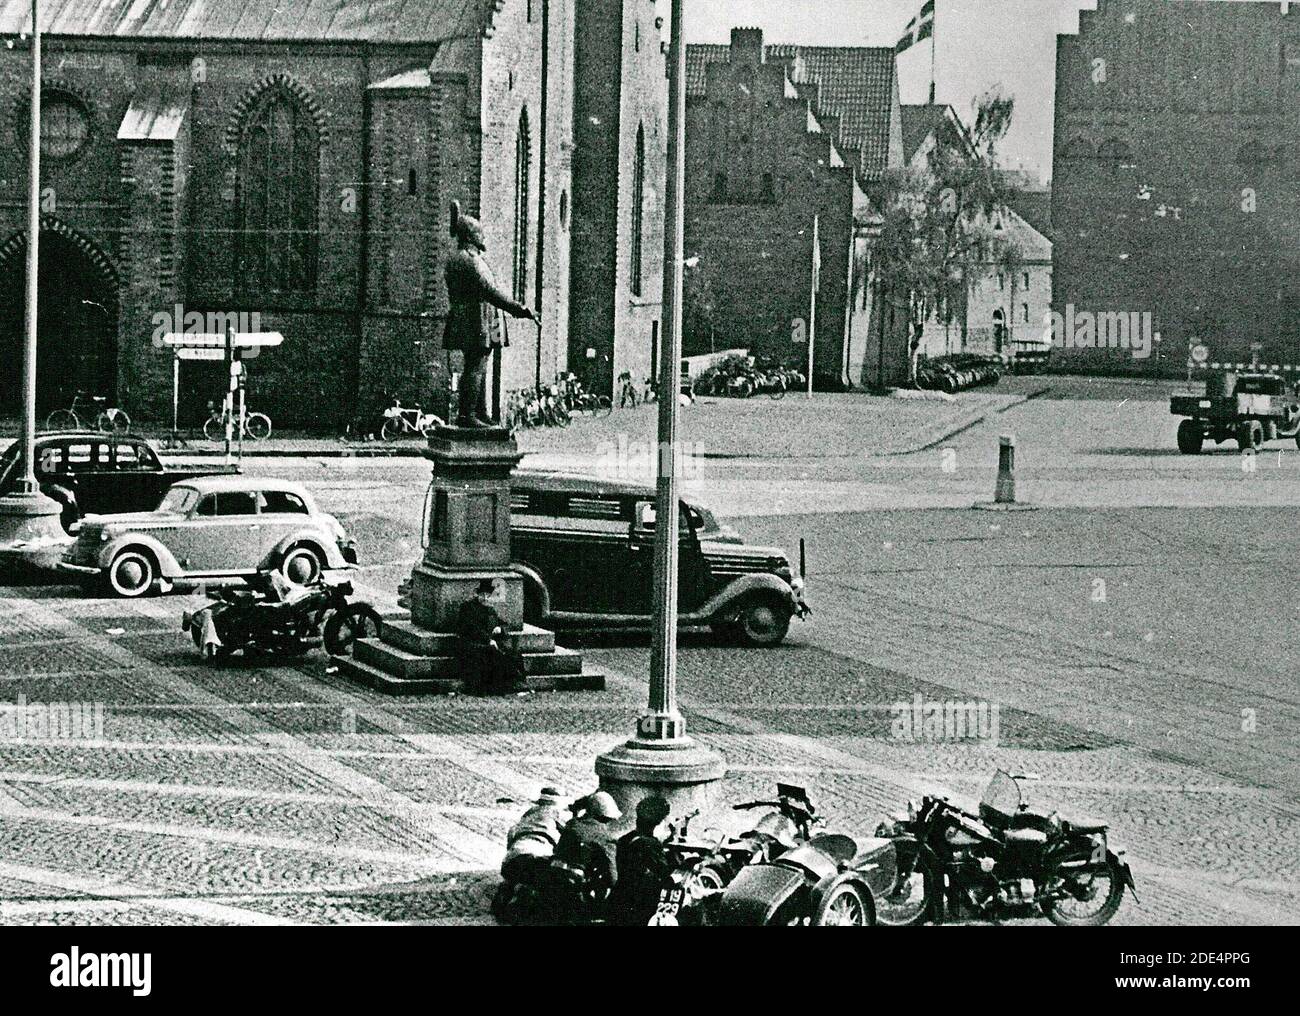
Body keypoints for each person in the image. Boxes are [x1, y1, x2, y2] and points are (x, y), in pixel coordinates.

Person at [443, 200, 537, 428]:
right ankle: (467, 415)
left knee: (480, 364)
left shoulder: (459, 258)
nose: (483, 237)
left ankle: (479, 411)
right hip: (476, 319)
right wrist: (520, 309)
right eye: (479, 233)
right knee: (475, 365)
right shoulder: (470, 261)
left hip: (478, 318)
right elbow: (490, 291)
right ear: (470, 235)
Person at [606, 795, 673, 926]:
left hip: (618, 901)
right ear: (658, 823)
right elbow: (664, 873)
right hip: (638, 907)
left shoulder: (626, 838)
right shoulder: (651, 844)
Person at [455, 579, 526, 695]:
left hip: (489, 643)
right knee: (493, 653)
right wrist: (488, 640)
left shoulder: (490, 610)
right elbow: (470, 628)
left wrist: (500, 629)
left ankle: (517, 683)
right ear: (476, 594)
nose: (485, 598)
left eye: (487, 595)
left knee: (513, 654)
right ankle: (496, 687)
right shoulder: (467, 608)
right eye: (482, 595)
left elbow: (504, 624)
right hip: (472, 643)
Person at [553, 790, 623, 896]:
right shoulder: (606, 838)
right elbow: (612, 879)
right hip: (576, 885)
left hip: (554, 874)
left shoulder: (572, 824)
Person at [500, 787, 569, 888]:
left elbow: (512, 832)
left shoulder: (530, 813)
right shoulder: (558, 814)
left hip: (513, 855)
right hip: (539, 855)